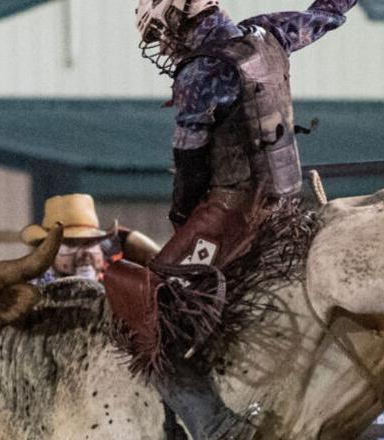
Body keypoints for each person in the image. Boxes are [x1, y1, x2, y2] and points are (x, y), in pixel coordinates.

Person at [103, 1, 357, 439]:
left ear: (176, 17)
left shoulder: (198, 73)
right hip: (286, 205)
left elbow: (191, 164)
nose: (163, 44)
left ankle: (215, 425)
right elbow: (327, 14)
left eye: (159, 32)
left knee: (145, 308)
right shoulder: (269, 33)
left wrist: (182, 218)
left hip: (232, 211)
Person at [19, 193, 160, 286]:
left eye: (91, 243)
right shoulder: (34, 294)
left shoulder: (118, 288)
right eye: (71, 245)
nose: (84, 253)